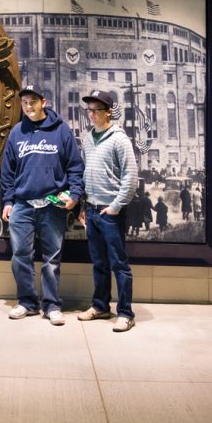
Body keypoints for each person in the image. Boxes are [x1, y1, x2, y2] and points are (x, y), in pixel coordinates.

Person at [0, 84, 84, 326]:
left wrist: (75, 195)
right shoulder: (17, 132)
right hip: (23, 205)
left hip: (52, 205)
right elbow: (7, 172)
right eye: (24, 103)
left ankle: (52, 305)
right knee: (20, 255)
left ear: (43, 102)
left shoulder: (61, 131)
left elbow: (75, 167)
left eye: (32, 102)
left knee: (52, 258)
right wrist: (8, 201)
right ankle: (27, 302)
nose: (28, 107)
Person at [76, 89, 139, 333]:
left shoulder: (119, 139)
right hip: (91, 210)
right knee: (99, 263)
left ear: (109, 112)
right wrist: (84, 206)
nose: (91, 115)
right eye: (89, 110)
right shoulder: (87, 138)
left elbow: (131, 178)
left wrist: (115, 207)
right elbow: (85, 175)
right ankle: (101, 306)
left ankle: (125, 313)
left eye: (96, 110)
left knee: (119, 264)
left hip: (110, 212)